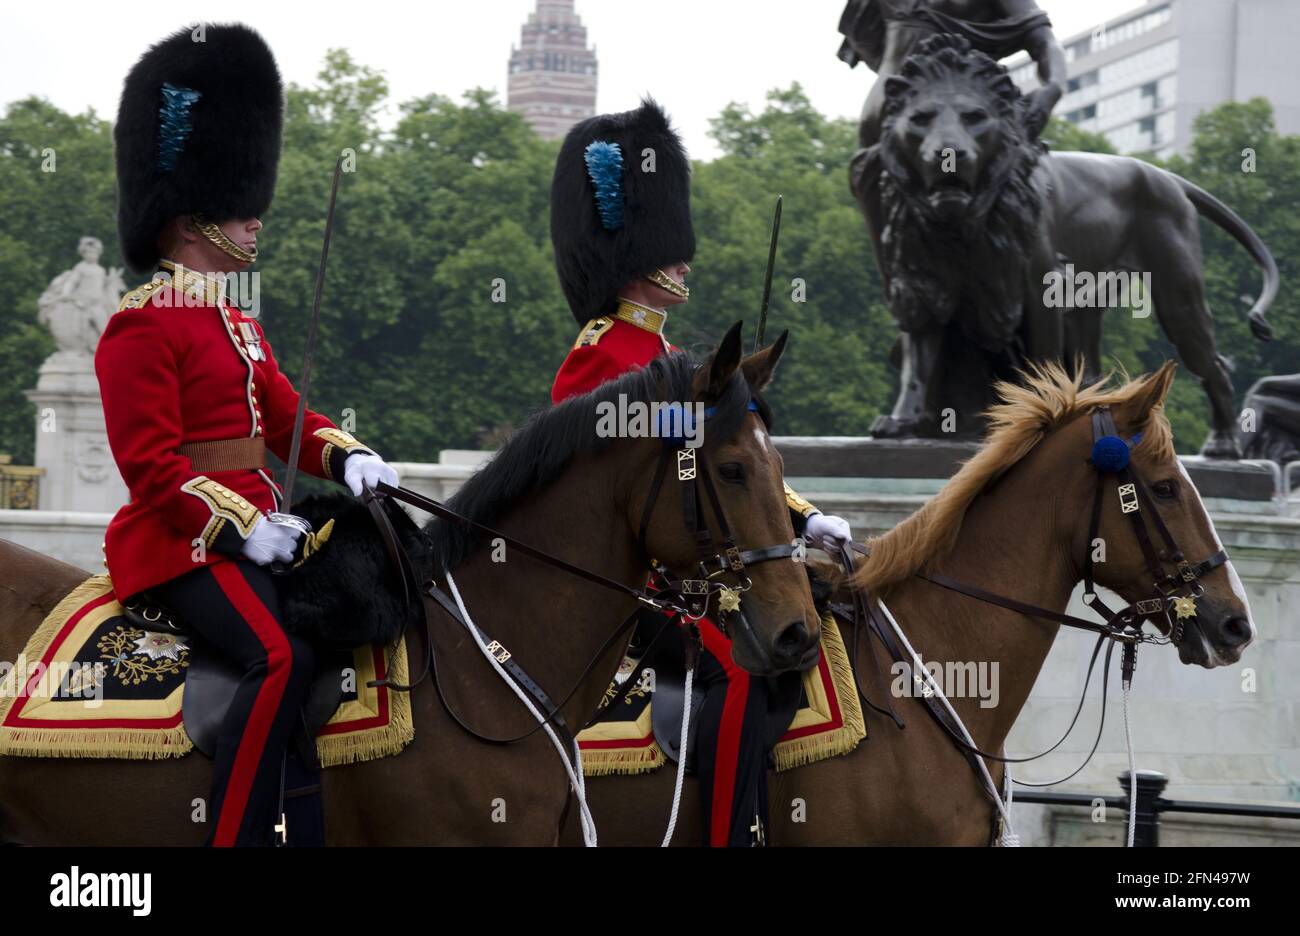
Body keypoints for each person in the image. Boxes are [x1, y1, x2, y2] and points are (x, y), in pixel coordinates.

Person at [99, 23, 398, 846]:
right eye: (243, 207)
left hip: (265, 534)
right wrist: (244, 528)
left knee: (337, 640)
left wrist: (351, 456)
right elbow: (153, 471)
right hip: (178, 548)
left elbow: (291, 417)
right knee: (279, 656)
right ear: (195, 217)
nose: (257, 220)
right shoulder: (143, 325)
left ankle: (304, 821)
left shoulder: (238, 324)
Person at [549, 99, 853, 846]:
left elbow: (723, 470)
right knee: (739, 668)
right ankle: (729, 833)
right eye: (669, 248)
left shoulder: (668, 359)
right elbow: (600, 466)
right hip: (631, 581)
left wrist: (803, 515)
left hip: (695, 571)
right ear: (633, 255)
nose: (684, 260)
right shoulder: (602, 353)